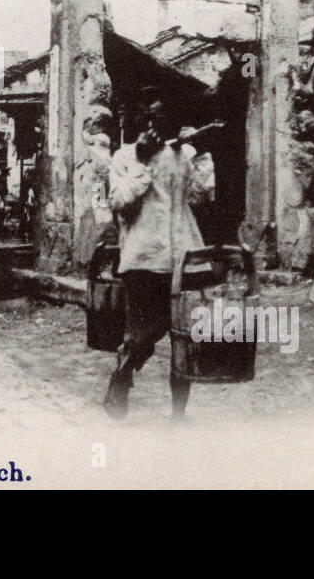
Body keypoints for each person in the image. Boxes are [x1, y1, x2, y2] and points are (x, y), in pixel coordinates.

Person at [103, 95, 215, 420]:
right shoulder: (125, 156)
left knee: (185, 340)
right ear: (139, 123)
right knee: (144, 335)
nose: (153, 127)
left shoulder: (185, 154)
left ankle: (179, 414)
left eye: (160, 120)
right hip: (145, 262)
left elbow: (202, 196)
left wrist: (203, 155)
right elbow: (120, 202)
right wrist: (141, 162)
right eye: (147, 120)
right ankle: (121, 375)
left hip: (185, 260)